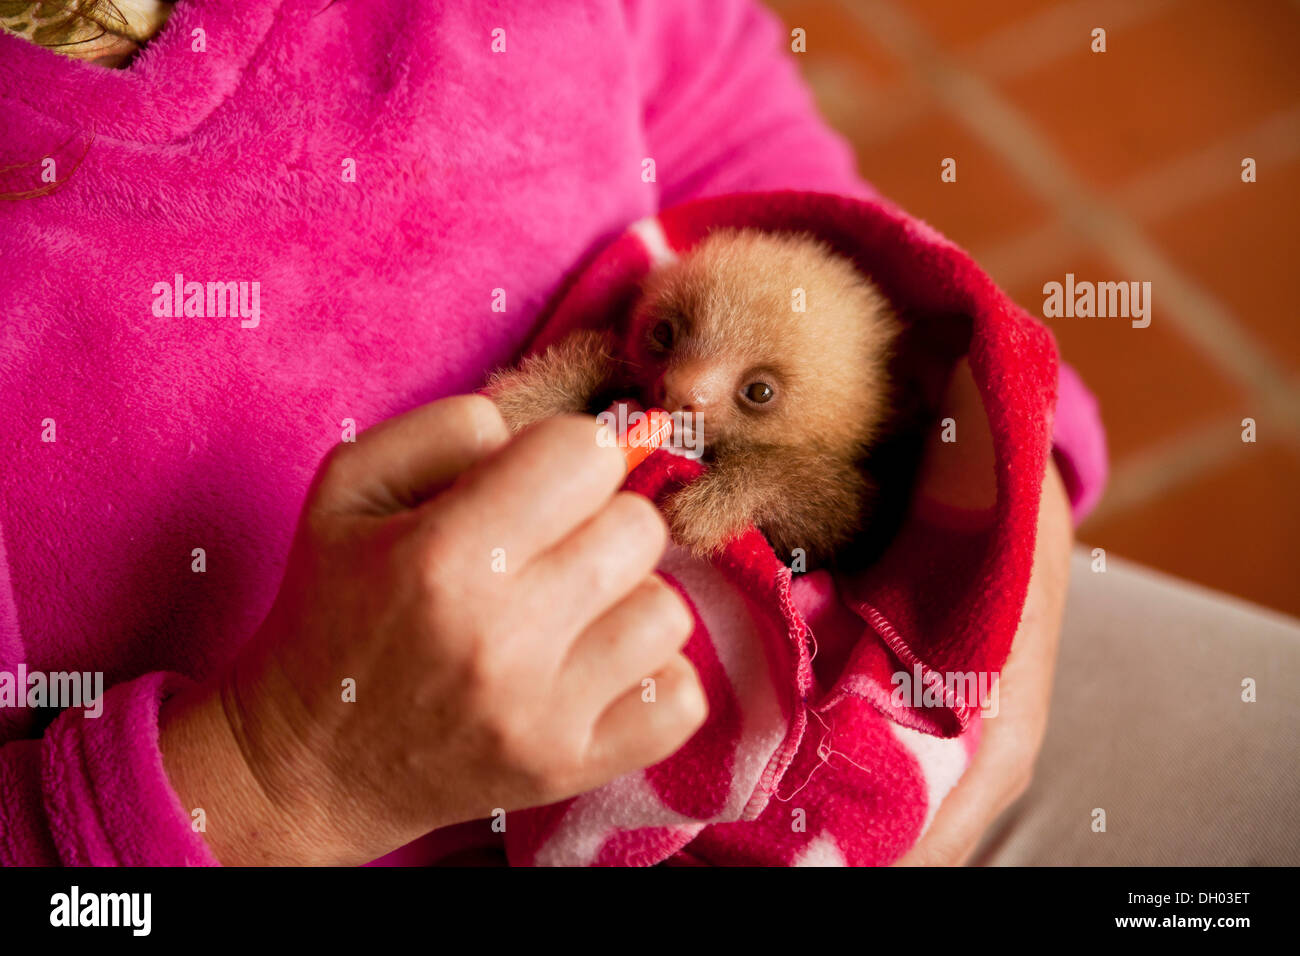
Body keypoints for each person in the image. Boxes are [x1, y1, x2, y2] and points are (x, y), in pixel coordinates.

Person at [0, 0, 1102, 865]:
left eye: (748, 393)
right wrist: (272, 772)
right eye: (667, 336)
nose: (681, 387)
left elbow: (721, 105)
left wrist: (1006, 486)